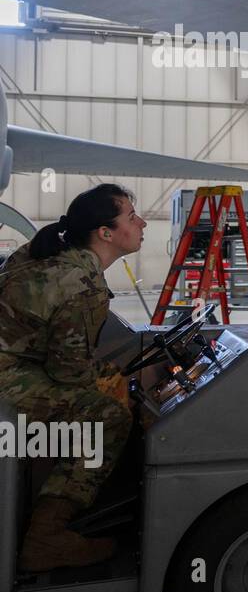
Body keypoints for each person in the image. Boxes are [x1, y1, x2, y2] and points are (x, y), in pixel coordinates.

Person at [0, 183, 146, 571]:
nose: (143, 223)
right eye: (132, 217)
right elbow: (68, 372)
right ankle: (47, 537)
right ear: (106, 233)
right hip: (7, 376)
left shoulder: (47, 252)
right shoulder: (82, 285)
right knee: (110, 417)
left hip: (15, 363)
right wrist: (112, 382)